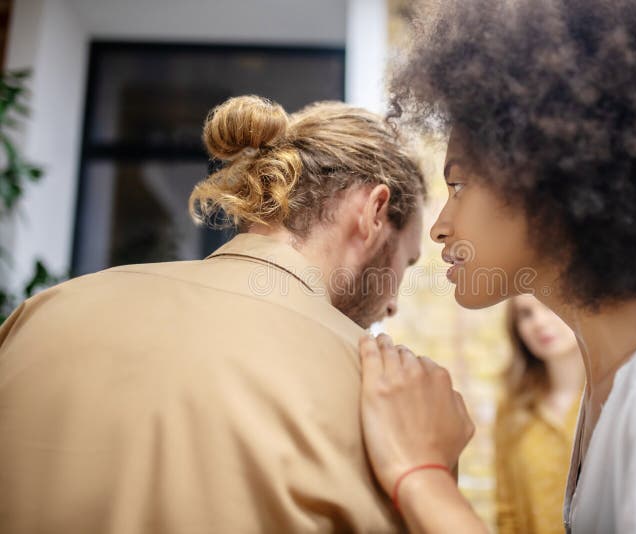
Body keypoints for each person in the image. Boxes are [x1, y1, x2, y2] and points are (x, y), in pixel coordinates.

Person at [357, 1, 636, 533]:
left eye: (459, 185)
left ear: (550, 182)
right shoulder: (624, 383)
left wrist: (420, 474)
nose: (440, 227)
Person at [0, 95, 426, 533]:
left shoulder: (47, 311)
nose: (392, 301)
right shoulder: (375, 396)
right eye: (406, 263)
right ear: (373, 212)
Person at [494, 295, 584, 534]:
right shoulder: (511, 408)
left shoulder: (612, 397)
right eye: (526, 314)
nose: (539, 322)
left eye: (551, 306)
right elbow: (507, 511)